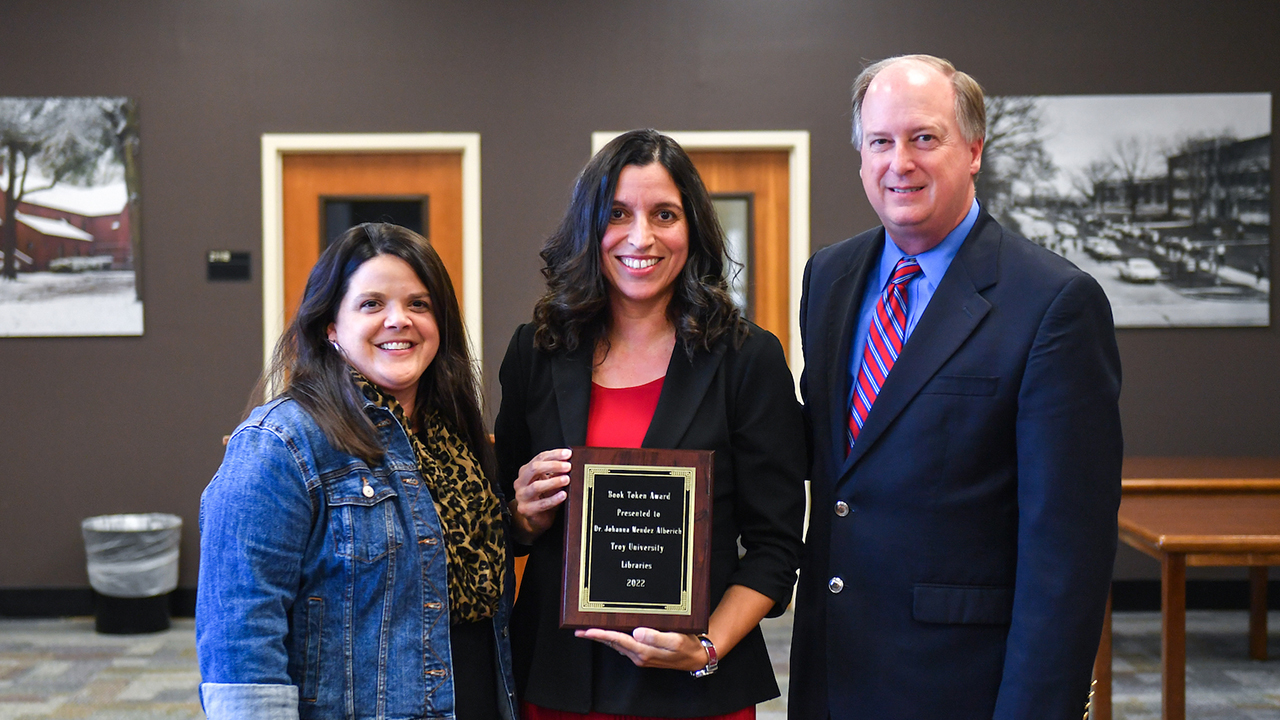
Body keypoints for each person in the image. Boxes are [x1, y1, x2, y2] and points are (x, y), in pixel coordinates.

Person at [788, 55, 1123, 720]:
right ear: (861, 157)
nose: (899, 162)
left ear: (973, 149)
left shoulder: (1053, 303)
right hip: (832, 675)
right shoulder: (829, 277)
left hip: (962, 688)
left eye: (924, 138)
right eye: (880, 141)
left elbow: (1067, 560)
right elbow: (833, 463)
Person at [495, 129, 806, 719]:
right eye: (617, 214)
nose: (641, 237)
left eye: (664, 214)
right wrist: (522, 515)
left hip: (694, 686)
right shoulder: (536, 352)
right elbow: (501, 524)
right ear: (589, 228)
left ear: (692, 228)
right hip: (557, 683)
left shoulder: (747, 360)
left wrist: (705, 646)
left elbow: (775, 546)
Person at [197, 223, 516, 720]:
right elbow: (241, 635)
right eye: (371, 304)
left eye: (419, 304)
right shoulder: (279, 443)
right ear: (330, 326)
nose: (399, 320)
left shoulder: (454, 437)